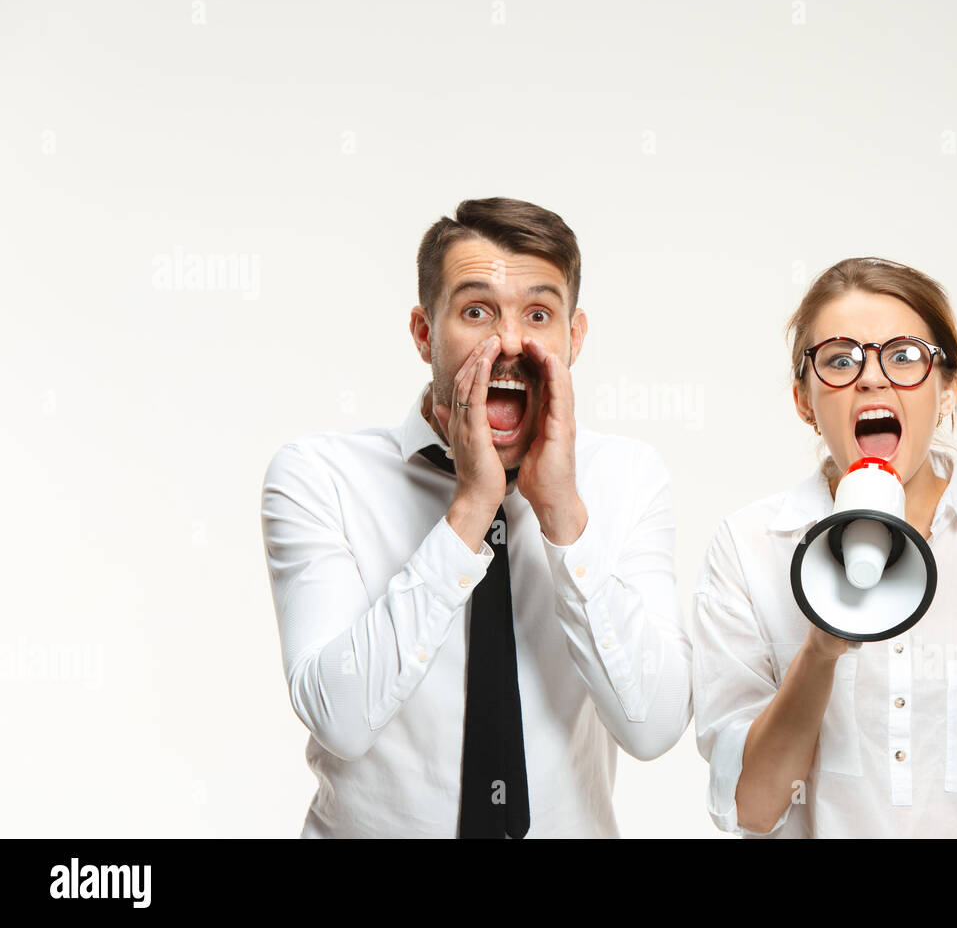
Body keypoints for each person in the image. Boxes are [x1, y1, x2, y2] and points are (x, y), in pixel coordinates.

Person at [260, 197, 692, 837]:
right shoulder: (318, 476)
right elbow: (341, 719)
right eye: (476, 311)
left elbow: (653, 727)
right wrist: (471, 509)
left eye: (538, 314)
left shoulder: (629, 477)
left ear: (573, 338)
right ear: (424, 332)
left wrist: (563, 515)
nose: (511, 341)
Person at [691, 256, 957, 838]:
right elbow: (753, 807)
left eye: (904, 356)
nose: (872, 378)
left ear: (947, 391)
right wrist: (819, 652)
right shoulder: (748, 548)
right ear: (804, 400)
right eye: (840, 360)